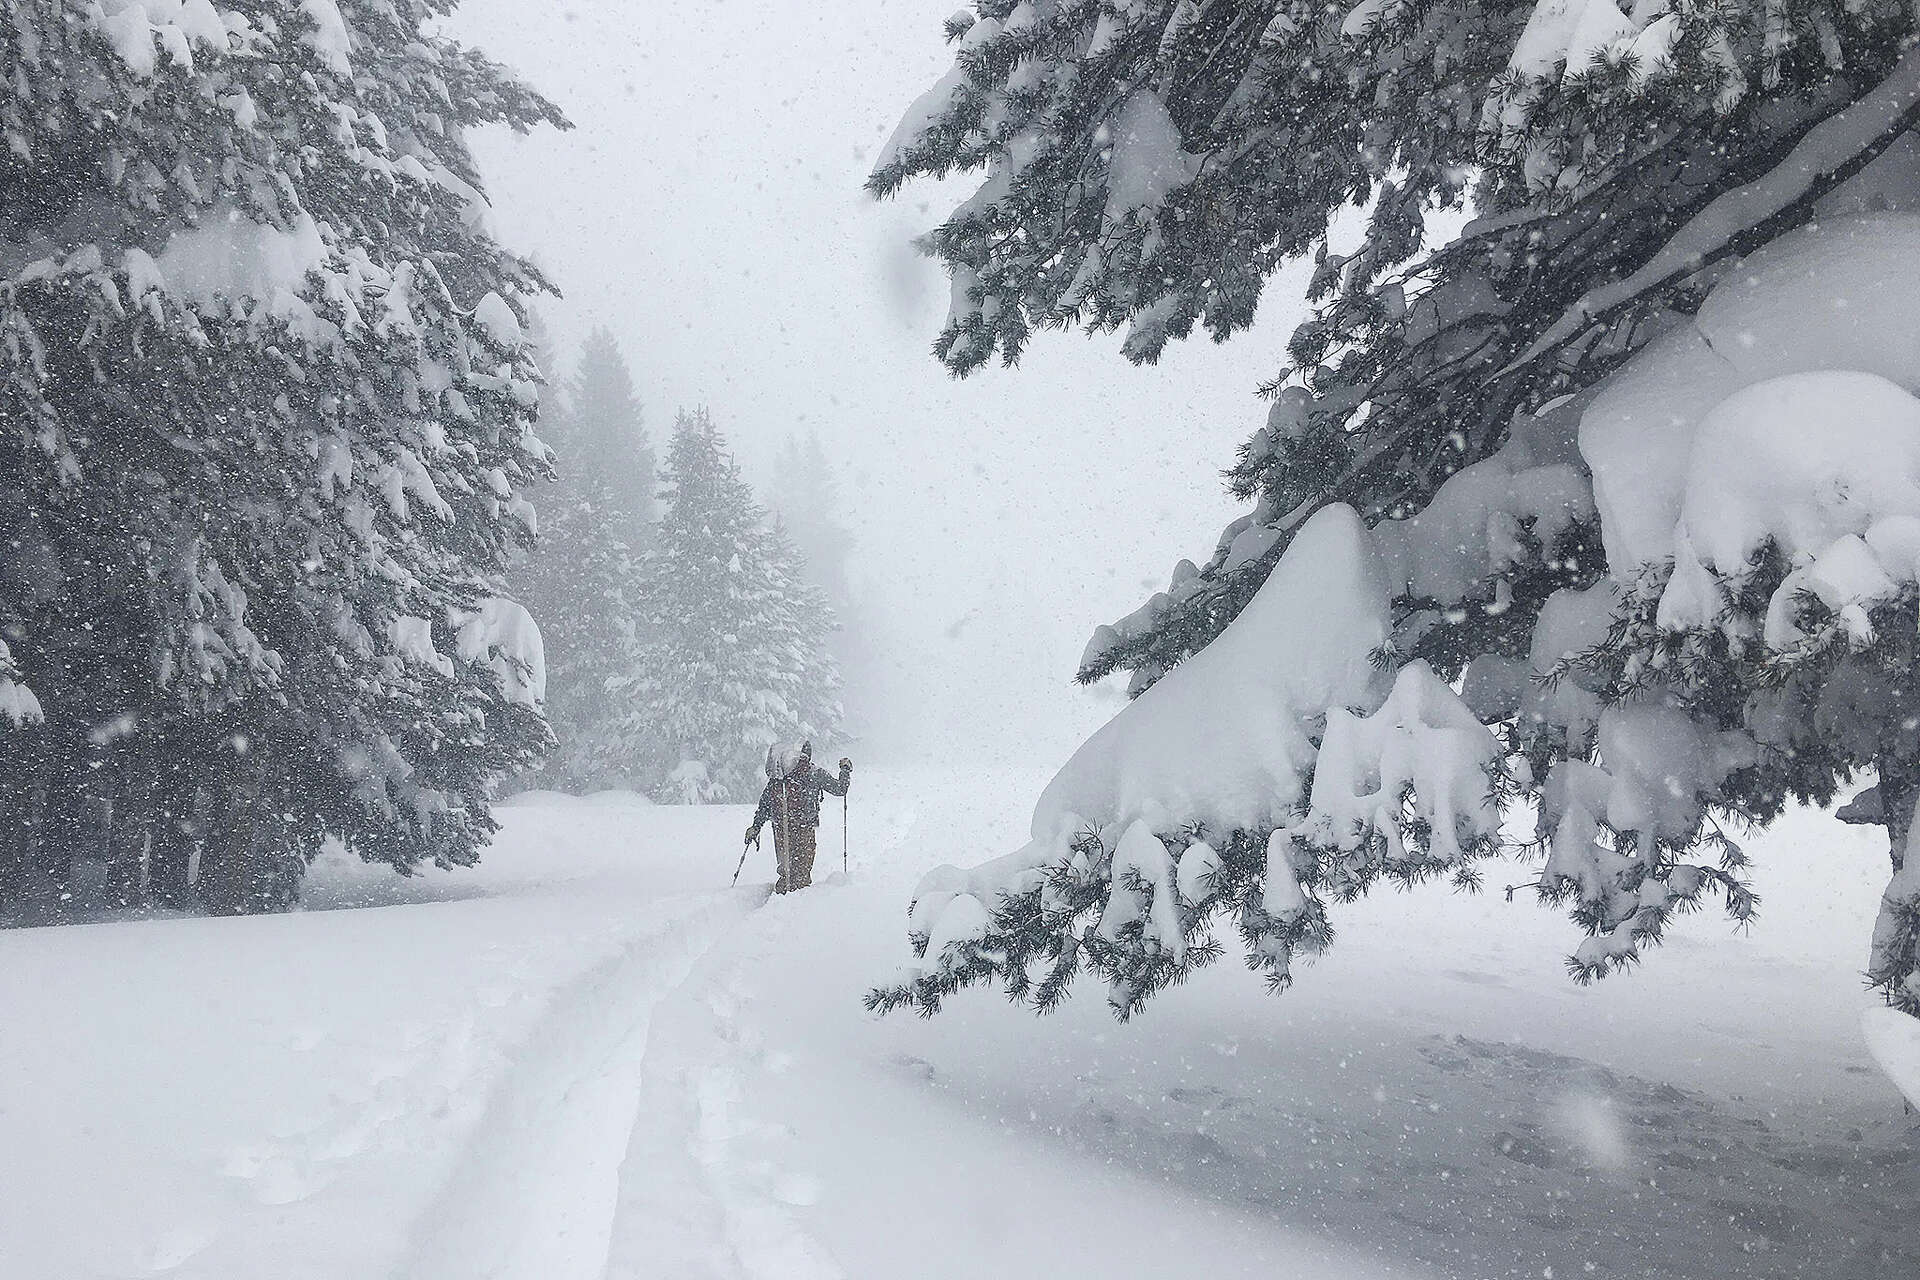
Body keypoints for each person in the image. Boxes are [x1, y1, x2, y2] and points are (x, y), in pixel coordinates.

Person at [745, 741, 851, 893]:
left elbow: (764, 806)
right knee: (802, 869)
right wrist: (845, 771)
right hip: (804, 826)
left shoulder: (780, 776)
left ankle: (783, 895)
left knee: (785, 868)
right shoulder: (814, 772)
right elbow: (840, 789)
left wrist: (756, 827)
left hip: (781, 827)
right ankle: (798, 901)